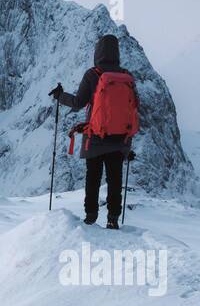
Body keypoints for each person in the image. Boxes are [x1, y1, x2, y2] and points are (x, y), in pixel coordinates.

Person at [50, 34, 136, 229]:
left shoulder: (92, 74)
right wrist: (128, 143)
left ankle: (90, 216)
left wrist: (60, 96)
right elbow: (133, 108)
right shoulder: (126, 76)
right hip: (119, 138)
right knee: (115, 179)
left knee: (93, 177)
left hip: (95, 137)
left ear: (97, 53)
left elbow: (79, 103)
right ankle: (113, 218)